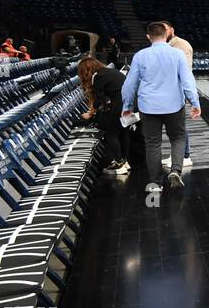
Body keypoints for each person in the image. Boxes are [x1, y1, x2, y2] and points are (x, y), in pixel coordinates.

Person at [122, 21, 201, 192]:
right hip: (174, 106)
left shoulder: (140, 56)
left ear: (148, 37)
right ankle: (175, 170)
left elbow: (129, 85)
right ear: (167, 35)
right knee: (178, 138)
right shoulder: (178, 54)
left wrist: (127, 106)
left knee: (152, 144)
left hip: (148, 108)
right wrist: (194, 102)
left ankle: (156, 183)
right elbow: (188, 81)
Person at [78, 56, 130, 175]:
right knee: (123, 132)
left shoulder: (99, 77)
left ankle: (119, 164)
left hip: (119, 106)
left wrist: (90, 113)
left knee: (111, 133)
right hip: (129, 104)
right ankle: (124, 161)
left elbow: (98, 99)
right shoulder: (109, 72)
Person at [160, 21, 194, 168]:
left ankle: (185, 156)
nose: (164, 32)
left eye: (166, 30)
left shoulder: (181, 45)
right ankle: (175, 154)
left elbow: (185, 71)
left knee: (179, 126)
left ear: (172, 30)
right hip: (168, 90)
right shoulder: (166, 46)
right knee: (172, 126)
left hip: (177, 89)